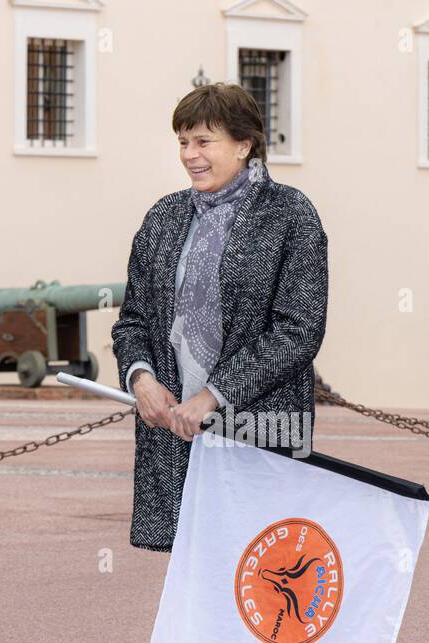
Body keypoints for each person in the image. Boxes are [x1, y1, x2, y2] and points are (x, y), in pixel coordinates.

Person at [111, 83, 328, 552]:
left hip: (260, 430)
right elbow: (132, 321)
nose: (190, 155)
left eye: (203, 141)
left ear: (244, 144)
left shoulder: (291, 215)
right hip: (174, 434)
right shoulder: (164, 218)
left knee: (258, 575)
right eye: (183, 142)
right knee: (192, 580)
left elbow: (298, 330)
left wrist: (213, 396)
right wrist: (142, 379)